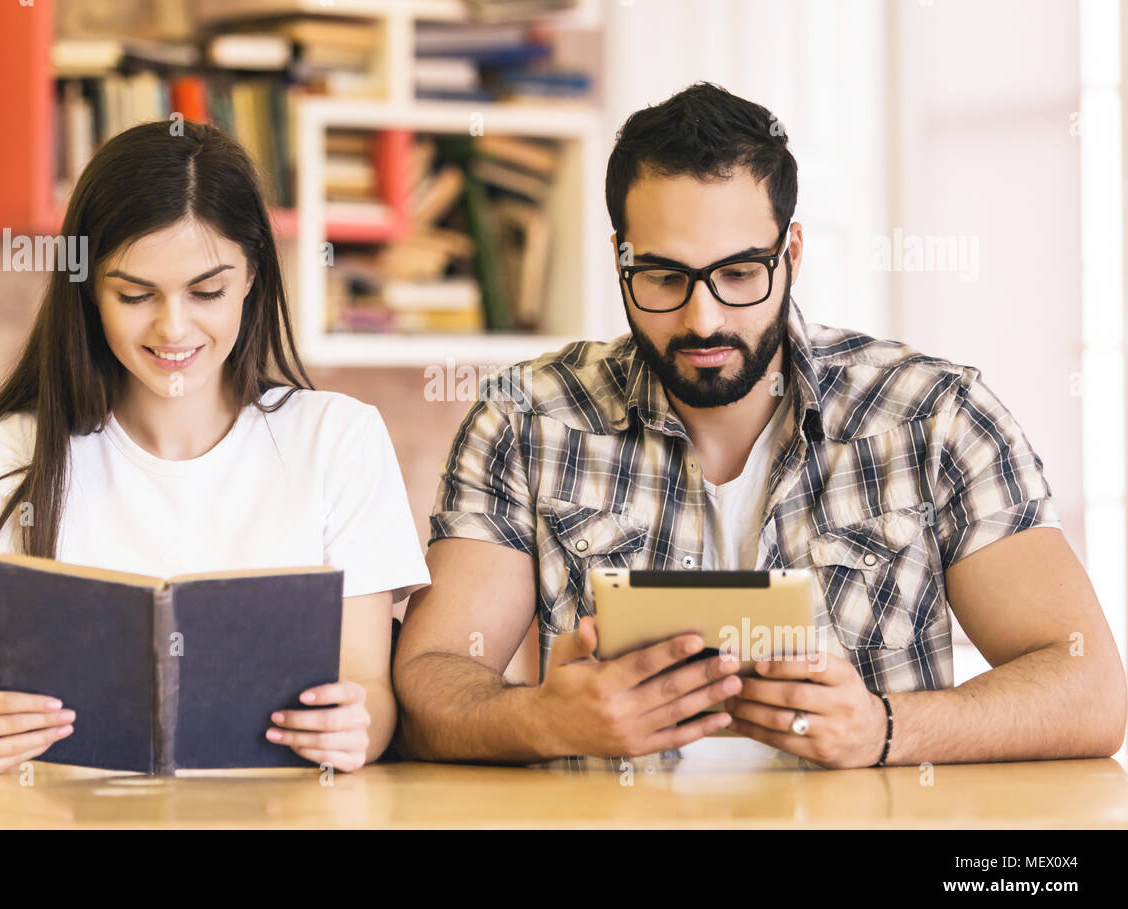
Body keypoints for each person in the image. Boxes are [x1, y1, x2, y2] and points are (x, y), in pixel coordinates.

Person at [394, 82, 1127, 769]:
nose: (702, 317)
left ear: (792, 254)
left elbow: (1090, 688)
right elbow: (429, 683)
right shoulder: (525, 418)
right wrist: (543, 721)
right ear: (620, 264)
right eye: (662, 277)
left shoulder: (933, 415)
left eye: (740, 272)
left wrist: (886, 729)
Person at [0, 121, 429, 774]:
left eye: (207, 291)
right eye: (133, 295)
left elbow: (369, 689)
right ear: (88, 288)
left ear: (252, 276)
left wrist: (357, 727)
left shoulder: (338, 440)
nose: (173, 327)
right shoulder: (17, 455)